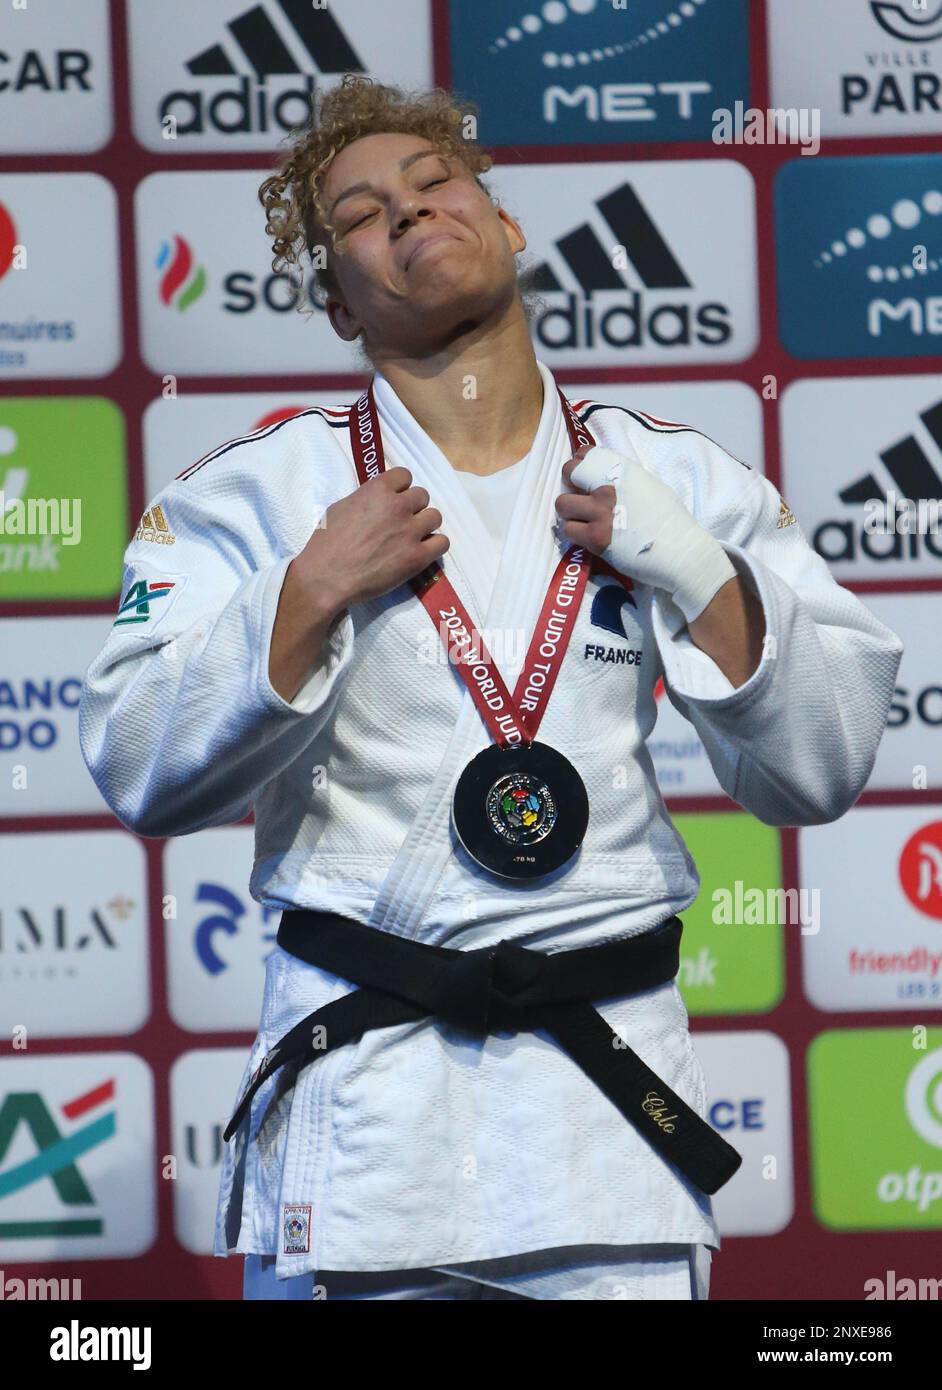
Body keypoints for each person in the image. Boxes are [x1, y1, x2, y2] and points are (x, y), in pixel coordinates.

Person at [79, 75, 904, 1301]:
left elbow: (824, 767)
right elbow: (137, 762)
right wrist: (305, 591)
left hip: (605, 1136)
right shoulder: (262, 495)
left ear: (507, 225)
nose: (410, 213)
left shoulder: (674, 480)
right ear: (334, 300)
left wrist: (697, 572)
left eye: (435, 182)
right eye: (360, 214)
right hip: (365, 1126)